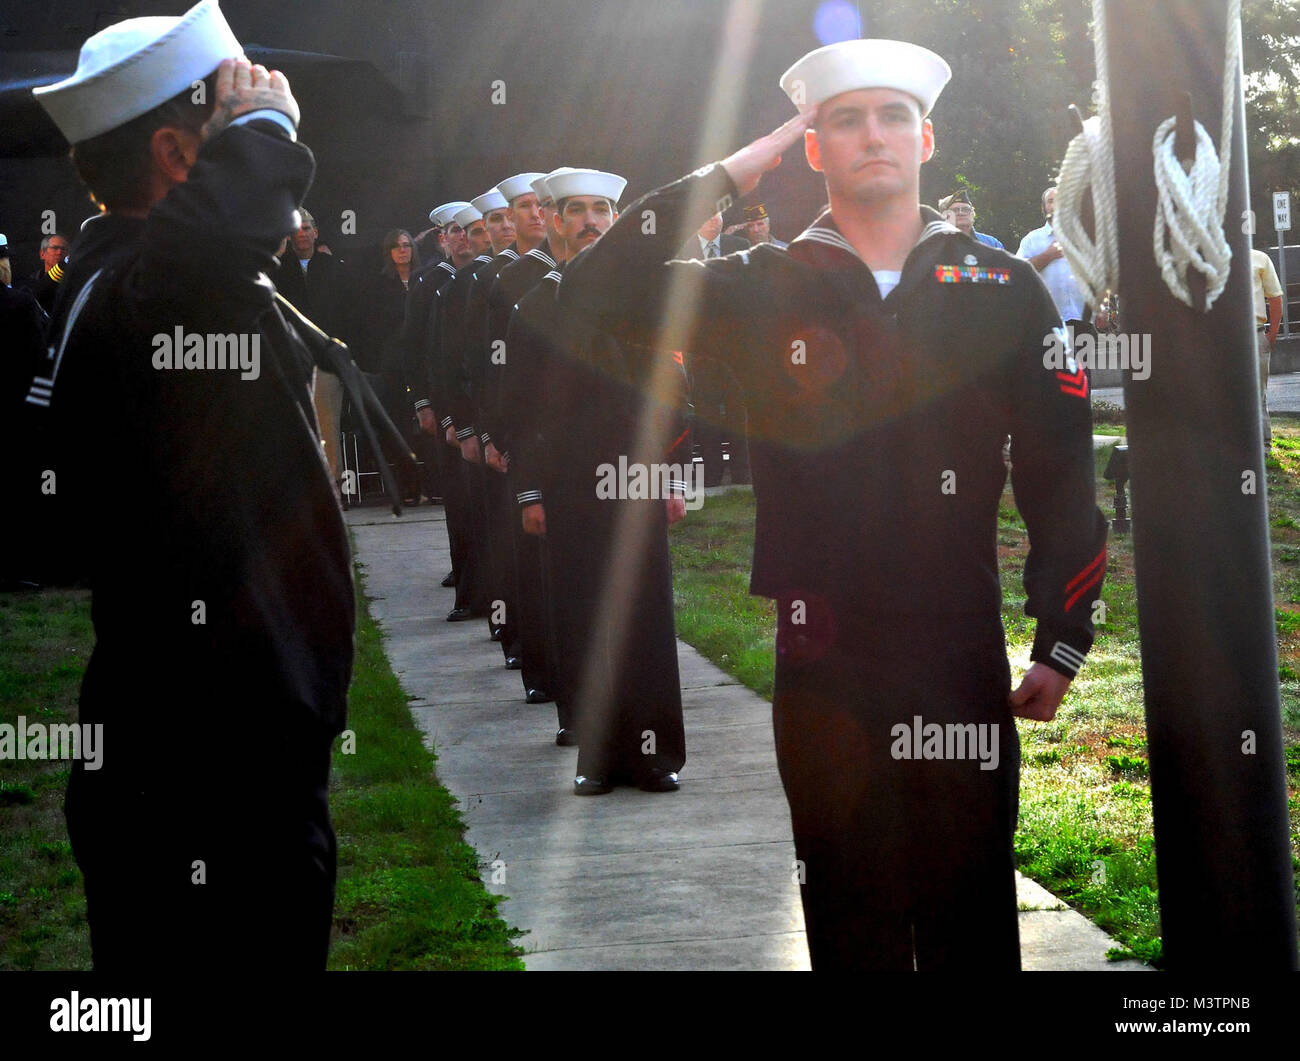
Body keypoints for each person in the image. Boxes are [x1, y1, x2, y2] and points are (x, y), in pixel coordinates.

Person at [560, 37, 1107, 967]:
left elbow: (1060, 468)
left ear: (927, 140)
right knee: (846, 888)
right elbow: (590, 293)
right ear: (809, 150)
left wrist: (1063, 630)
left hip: (955, 640)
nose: (872, 136)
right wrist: (729, 176)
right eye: (842, 120)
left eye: (894, 115)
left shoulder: (998, 286)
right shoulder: (758, 283)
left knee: (969, 891)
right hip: (824, 648)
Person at [26, 0, 355, 970]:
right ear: (178, 153)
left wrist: (244, 128)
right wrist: (268, 132)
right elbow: (208, 255)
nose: (263, 93)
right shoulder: (153, 284)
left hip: (199, 734)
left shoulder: (124, 277)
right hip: (214, 757)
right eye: (234, 95)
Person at [515, 167, 690, 793]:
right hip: (568, 484)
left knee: (644, 615)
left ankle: (654, 755)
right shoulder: (535, 304)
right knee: (583, 614)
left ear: (615, 221)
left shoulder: (647, 298)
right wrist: (531, 491)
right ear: (554, 220)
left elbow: (671, 392)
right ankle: (596, 758)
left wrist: (670, 475)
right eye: (577, 210)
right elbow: (525, 409)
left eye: (601, 210)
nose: (591, 220)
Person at [276, 207, 348, 497]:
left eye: (307, 228)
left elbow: (348, 313)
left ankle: (332, 490)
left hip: (325, 361)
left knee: (326, 424)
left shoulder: (334, 268)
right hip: (289, 357)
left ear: (316, 232)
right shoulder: (278, 270)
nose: (302, 234)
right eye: (296, 228)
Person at [1251, 247, 1284, 449]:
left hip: (1254, 334)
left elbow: (1275, 297)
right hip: (1223, 337)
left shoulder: (1260, 259)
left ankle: (1264, 444)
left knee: (1258, 392)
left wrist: (1271, 334)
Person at [937, 189, 1004, 249]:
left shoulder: (992, 244)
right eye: (955, 210)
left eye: (965, 209)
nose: (960, 213)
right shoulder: (934, 244)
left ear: (973, 214)